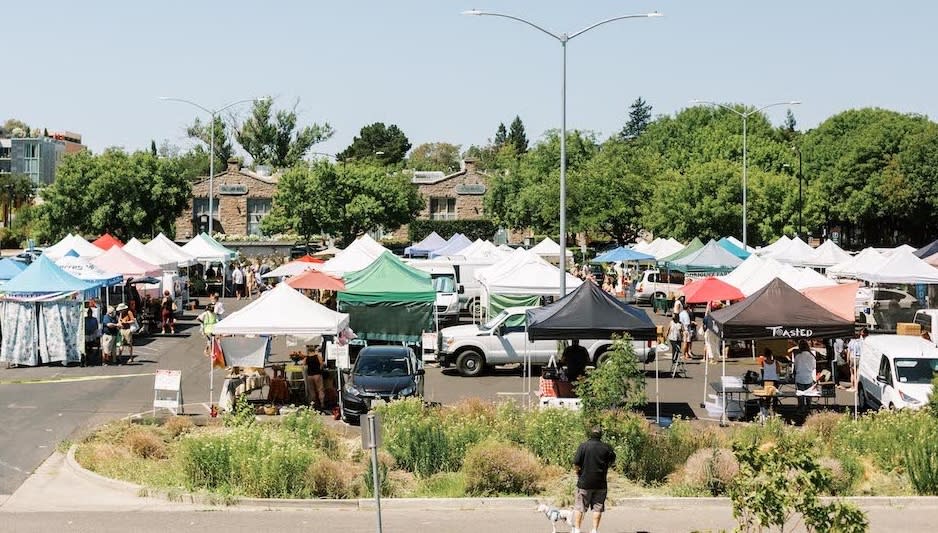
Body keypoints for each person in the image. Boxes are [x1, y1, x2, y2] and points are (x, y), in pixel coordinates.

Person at [572, 426, 616, 533]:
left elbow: (576, 463)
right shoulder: (607, 447)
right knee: (598, 508)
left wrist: (578, 472)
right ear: (601, 435)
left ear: (590, 434)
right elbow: (612, 461)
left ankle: (577, 530)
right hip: (600, 483)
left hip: (584, 482)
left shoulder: (583, 446)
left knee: (580, 507)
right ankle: (594, 530)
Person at [794, 339, 817, 413]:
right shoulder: (812, 356)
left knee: (800, 395)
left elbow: (795, 367)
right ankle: (808, 410)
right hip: (808, 378)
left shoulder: (797, 356)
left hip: (799, 377)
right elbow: (814, 367)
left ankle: (801, 409)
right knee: (808, 396)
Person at [305, 346, 326, 411]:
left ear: (308, 351)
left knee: (311, 391)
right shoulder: (317, 356)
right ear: (314, 350)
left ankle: (313, 404)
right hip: (317, 375)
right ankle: (322, 403)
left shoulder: (307, 358)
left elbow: (303, 365)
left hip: (310, 376)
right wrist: (320, 368)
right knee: (320, 389)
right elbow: (322, 364)